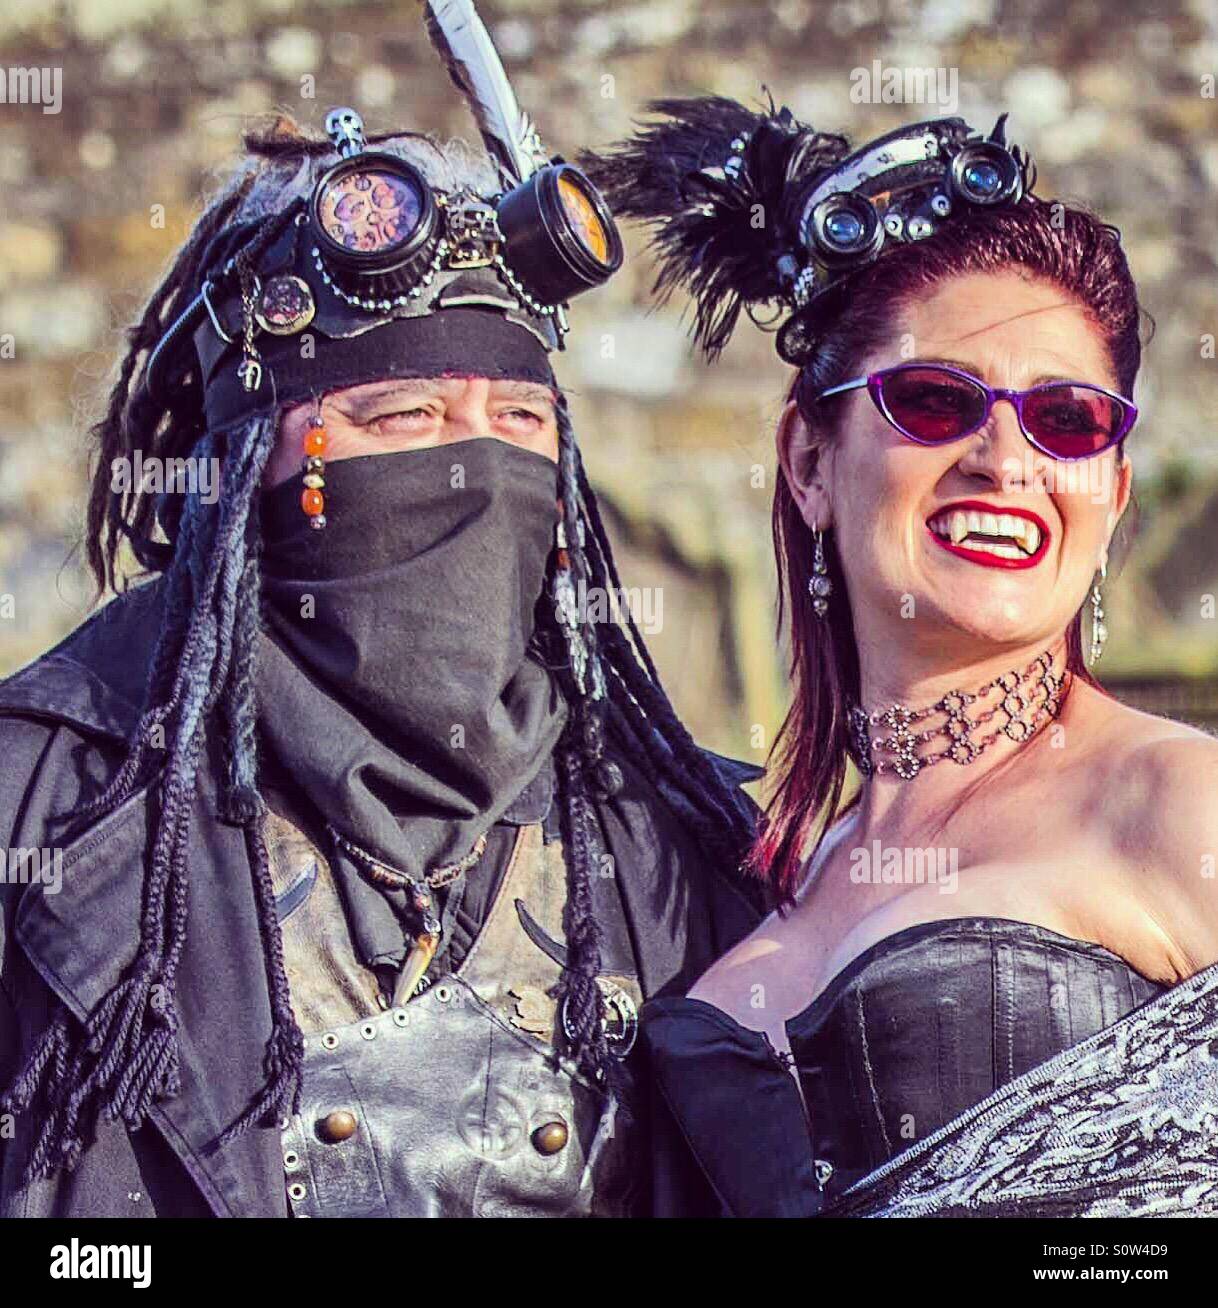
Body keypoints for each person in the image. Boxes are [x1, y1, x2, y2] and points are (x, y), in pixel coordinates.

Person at [0, 18, 762, 1219]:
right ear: (252, 461)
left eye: (518, 423)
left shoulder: (687, 845)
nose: (468, 464)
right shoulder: (44, 808)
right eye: (401, 416)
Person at [587, 98, 1218, 1216]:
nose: (1006, 459)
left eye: (1069, 421)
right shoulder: (747, 883)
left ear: (1113, 494)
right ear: (809, 460)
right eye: (934, 401)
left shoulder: (1174, 800)